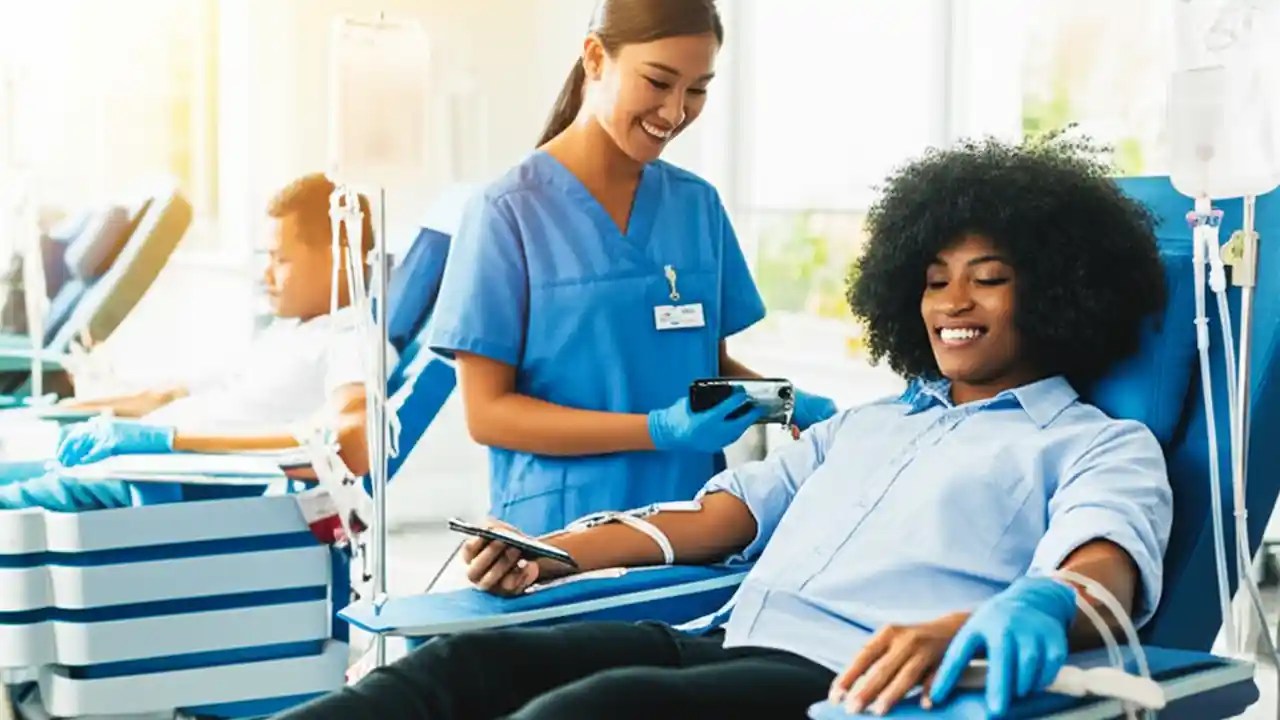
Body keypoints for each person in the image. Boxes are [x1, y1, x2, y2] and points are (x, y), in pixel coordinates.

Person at [272, 135, 1173, 719]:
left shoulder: (1093, 442)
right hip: (722, 639)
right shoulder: (870, 425)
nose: (953, 303)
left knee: (577, 716)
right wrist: (557, 552)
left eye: (990, 276)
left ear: (1057, 294)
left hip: (849, 683)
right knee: (449, 676)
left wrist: (1031, 606)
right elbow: (721, 515)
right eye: (935, 279)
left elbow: (1104, 566)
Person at [428, 0, 837, 536]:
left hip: (689, 527)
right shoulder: (508, 213)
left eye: (697, 89)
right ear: (595, 57)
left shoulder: (697, 206)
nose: (674, 112)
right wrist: (658, 430)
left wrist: (784, 404)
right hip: (557, 538)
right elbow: (488, 413)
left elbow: (705, 369)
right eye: (658, 82)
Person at [0, 173, 392, 511]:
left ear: (342, 258)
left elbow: (351, 441)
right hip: (133, 468)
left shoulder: (350, 338)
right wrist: (53, 410)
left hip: (168, 489)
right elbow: (164, 394)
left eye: (280, 259)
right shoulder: (288, 335)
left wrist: (166, 441)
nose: (265, 275)